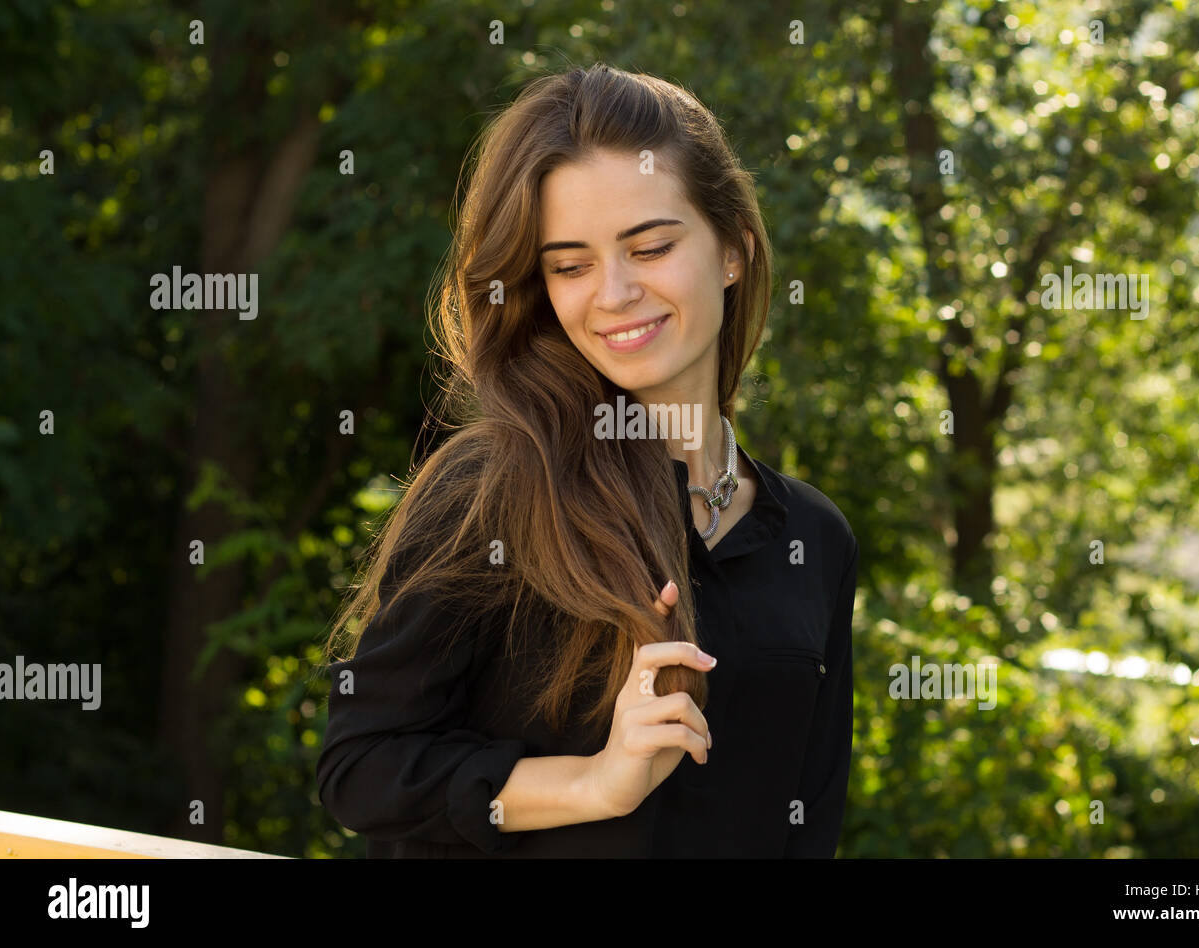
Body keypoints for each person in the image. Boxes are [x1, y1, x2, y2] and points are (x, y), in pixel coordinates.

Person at [316, 62, 859, 857]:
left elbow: (811, 825)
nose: (612, 292)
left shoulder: (815, 538)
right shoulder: (491, 492)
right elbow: (361, 768)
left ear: (734, 250)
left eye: (650, 246)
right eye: (569, 265)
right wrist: (594, 783)